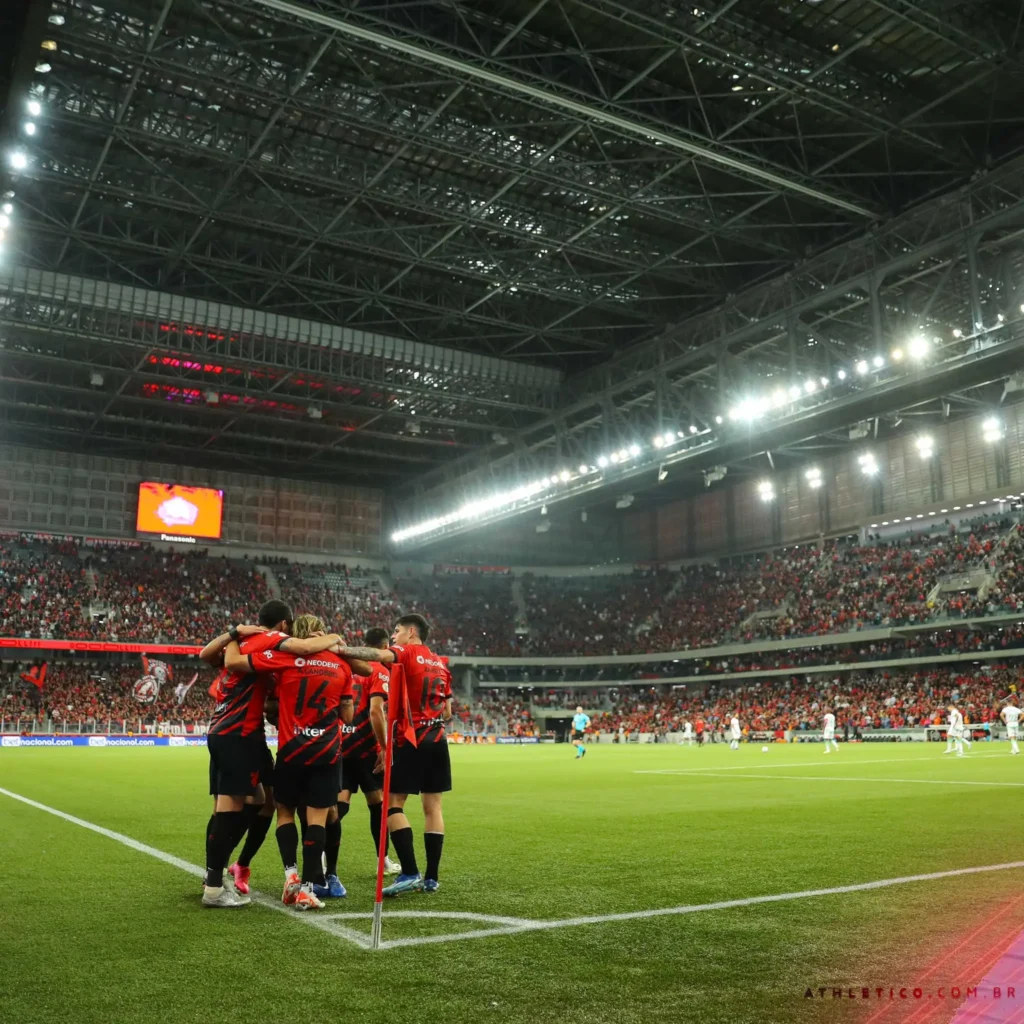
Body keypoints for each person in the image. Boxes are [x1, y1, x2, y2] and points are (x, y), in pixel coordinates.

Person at [197, 601, 346, 909]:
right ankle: (213, 885)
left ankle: (229, 867)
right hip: (237, 734)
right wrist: (332, 638)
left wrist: (233, 634)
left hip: (237, 734)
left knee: (266, 800)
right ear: (283, 626)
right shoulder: (269, 640)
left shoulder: (243, 642)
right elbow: (304, 649)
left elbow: (208, 658)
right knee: (229, 807)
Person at [336, 613, 452, 897]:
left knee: (392, 805)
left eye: (397, 630)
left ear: (412, 632)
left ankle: (410, 871)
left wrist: (341, 650)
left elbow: (376, 654)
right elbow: (448, 712)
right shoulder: (440, 663)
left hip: (412, 739)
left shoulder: (407, 652)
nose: (395, 635)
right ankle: (432, 878)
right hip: (438, 739)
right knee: (433, 808)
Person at [335, 626, 401, 885]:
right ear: (384, 648)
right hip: (366, 748)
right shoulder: (379, 670)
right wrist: (385, 747)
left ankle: (324, 858)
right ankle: (382, 860)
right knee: (378, 805)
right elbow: (376, 712)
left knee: (340, 804)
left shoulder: (349, 668)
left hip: (343, 744)